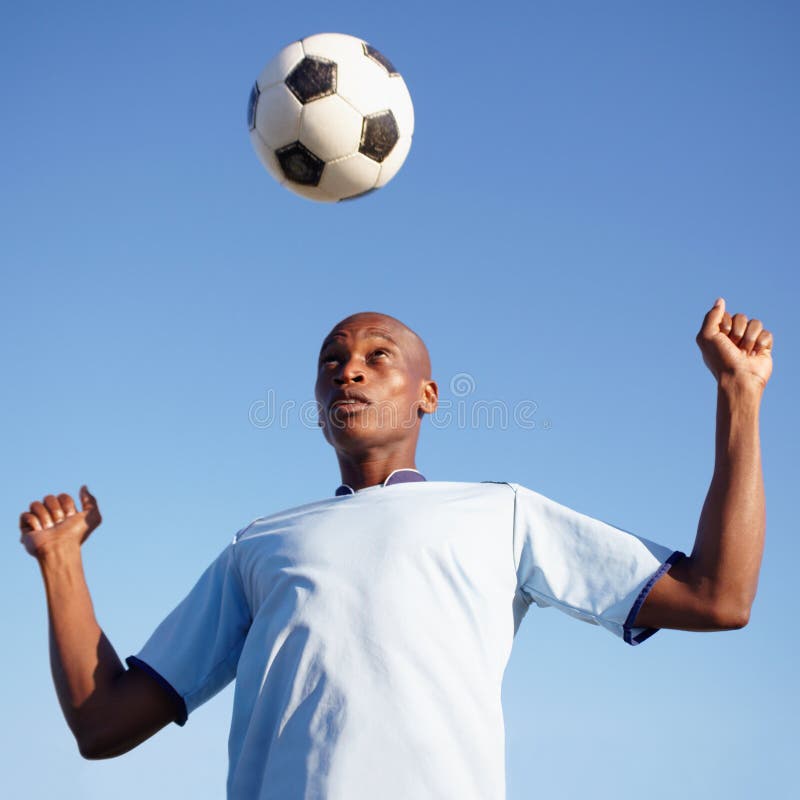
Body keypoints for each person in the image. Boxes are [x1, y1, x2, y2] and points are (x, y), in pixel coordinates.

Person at [20, 298, 773, 799]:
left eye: (378, 356)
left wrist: (738, 395)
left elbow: (718, 597)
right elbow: (104, 723)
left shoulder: (500, 511)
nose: (348, 368)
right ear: (317, 404)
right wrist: (61, 562)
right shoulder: (260, 545)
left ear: (427, 396)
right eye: (331, 359)